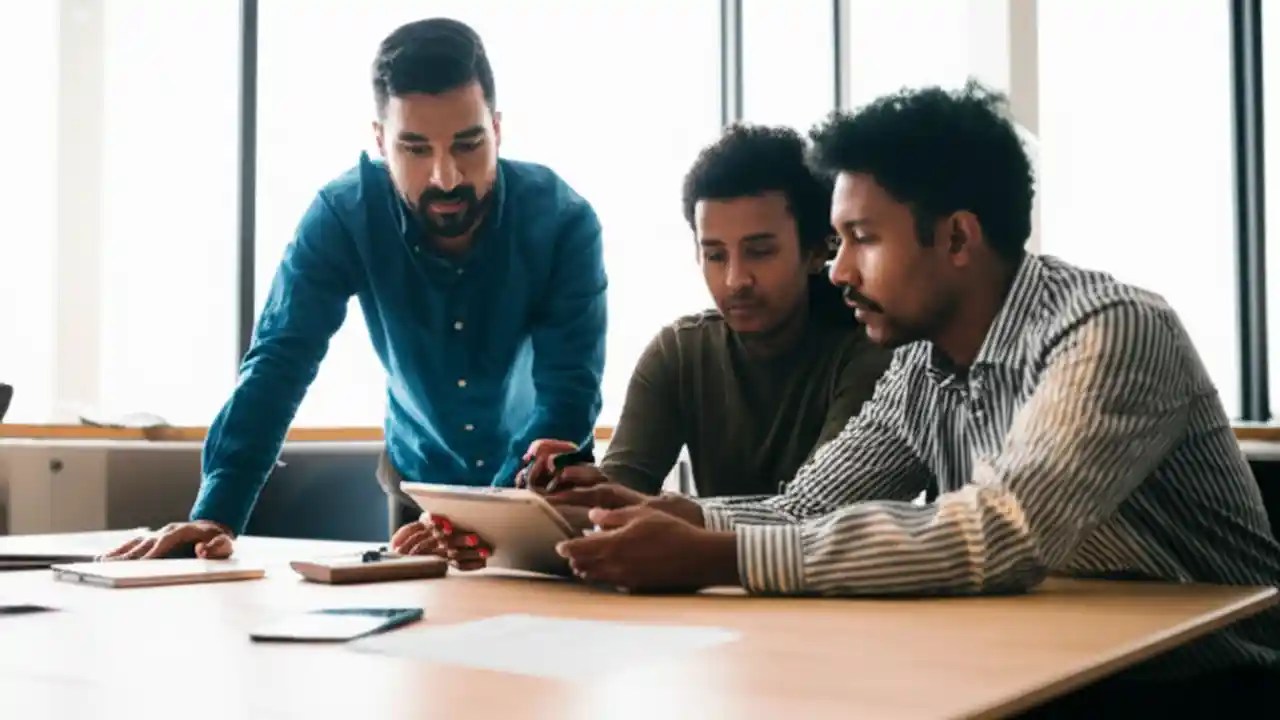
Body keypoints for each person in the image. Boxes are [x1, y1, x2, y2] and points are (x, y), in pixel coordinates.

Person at [545, 81, 1279, 708]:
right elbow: (805, 508)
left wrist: (714, 556)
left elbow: (1001, 533)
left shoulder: (1111, 331)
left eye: (861, 238)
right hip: (1049, 669)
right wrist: (669, 513)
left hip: (1213, 681)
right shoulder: (920, 365)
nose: (836, 273)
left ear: (958, 238)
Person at [102, 17, 607, 561]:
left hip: (543, 490)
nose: (446, 177)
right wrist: (213, 515)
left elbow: (568, 391)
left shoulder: (563, 221)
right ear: (380, 141)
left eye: (468, 144)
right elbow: (278, 361)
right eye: (414, 148)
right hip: (421, 490)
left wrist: (494, 510)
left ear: (498, 129)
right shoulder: (343, 216)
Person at [516, 124, 891, 500]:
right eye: (715, 255)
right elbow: (622, 490)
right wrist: (576, 485)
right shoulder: (681, 352)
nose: (735, 280)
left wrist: (658, 512)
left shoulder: (872, 349)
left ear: (815, 251)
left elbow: (817, 514)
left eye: (759, 251)